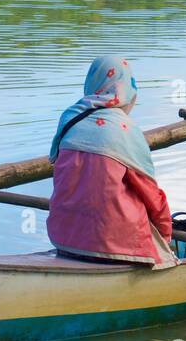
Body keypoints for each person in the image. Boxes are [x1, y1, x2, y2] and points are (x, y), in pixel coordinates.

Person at [46, 55, 177, 267]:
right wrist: (165, 236)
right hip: (119, 246)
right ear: (126, 90)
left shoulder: (69, 120)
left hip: (63, 238)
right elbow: (152, 196)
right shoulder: (125, 131)